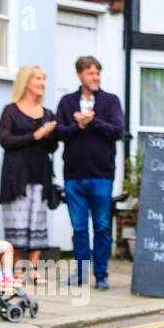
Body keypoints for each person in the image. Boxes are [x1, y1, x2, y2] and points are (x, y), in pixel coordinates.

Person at [54, 56, 124, 291]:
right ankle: (81, 273)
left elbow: (117, 131)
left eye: (97, 73)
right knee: (79, 228)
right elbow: (59, 133)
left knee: (102, 226)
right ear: (79, 75)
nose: (95, 77)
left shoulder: (110, 101)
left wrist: (92, 122)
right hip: (74, 174)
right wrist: (78, 126)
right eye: (90, 73)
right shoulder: (67, 102)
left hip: (101, 174)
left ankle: (101, 274)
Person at [0, 65, 57, 286]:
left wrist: (50, 135)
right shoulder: (11, 111)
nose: (42, 83)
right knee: (18, 224)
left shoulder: (48, 113)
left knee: (37, 223)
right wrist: (35, 135)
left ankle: (33, 270)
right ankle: (16, 270)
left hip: (40, 175)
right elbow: (5, 140)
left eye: (43, 79)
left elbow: (52, 147)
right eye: (38, 79)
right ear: (26, 82)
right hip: (17, 177)